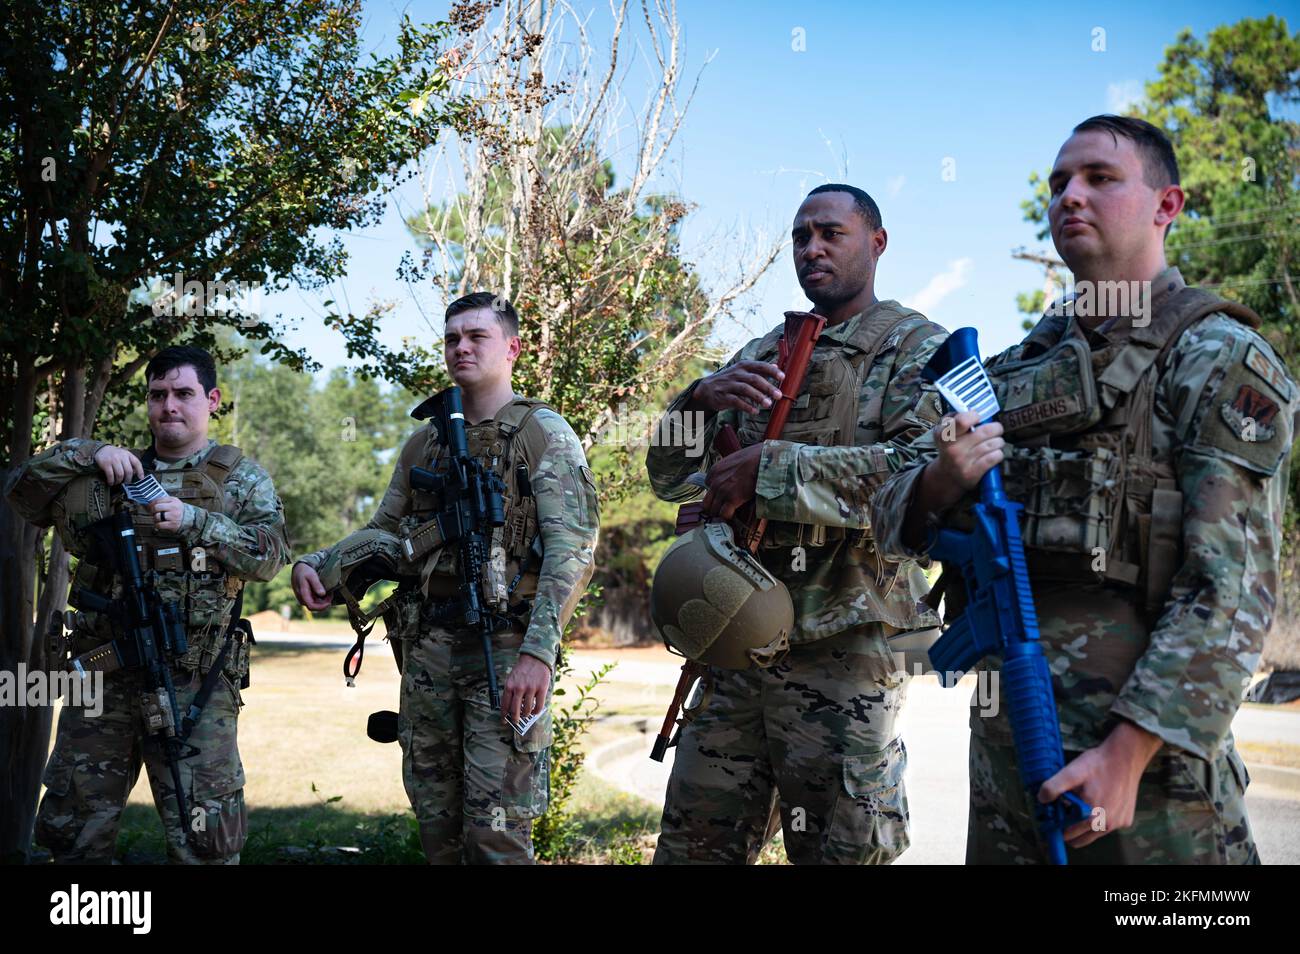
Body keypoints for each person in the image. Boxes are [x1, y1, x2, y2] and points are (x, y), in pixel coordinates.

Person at [873, 115, 1299, 864]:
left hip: (1151, 787)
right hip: (1008, 769)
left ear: (1167, 205)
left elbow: (1230, 592)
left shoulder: (1214, 355)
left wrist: (1127, 754)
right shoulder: (1002, 373)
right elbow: (888, 515)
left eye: (1100, 179)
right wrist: (940, 480)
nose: (1071, 196)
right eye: (1059, 182)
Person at [645, 184, 948, 864]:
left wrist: (774, 470)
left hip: (843, 652)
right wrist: (695, 400)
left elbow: (927, 472)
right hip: (732, 649)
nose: (812, 247)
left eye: (830, 233)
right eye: (800, 235)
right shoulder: (761, 351)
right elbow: (670, 479)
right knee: (692, 850)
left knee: (840, 854)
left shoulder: (913, 346)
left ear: (877, 242)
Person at [292, 292, 599, 864]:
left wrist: (538, 652)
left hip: (505, 651)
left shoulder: (542, 434)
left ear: (511, 348)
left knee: (496, 835)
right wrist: (317, 564)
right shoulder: (423, 443)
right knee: (438, 832)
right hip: (428, 652)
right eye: (452, 337)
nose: (461, 346)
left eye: (476, 336)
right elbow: (381, 530)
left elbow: (572, 549)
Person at [5, 345, 290, 864]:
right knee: (73, 834)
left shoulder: (243, 480)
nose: (169, 406)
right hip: (101, 681)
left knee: (204, 842)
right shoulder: (111, 472)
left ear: (212, 400)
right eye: (157, 395)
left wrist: (194, 522)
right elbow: (20, 493)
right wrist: (86, 452)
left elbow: (270, 557)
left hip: (192, 687)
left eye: (183, 394)